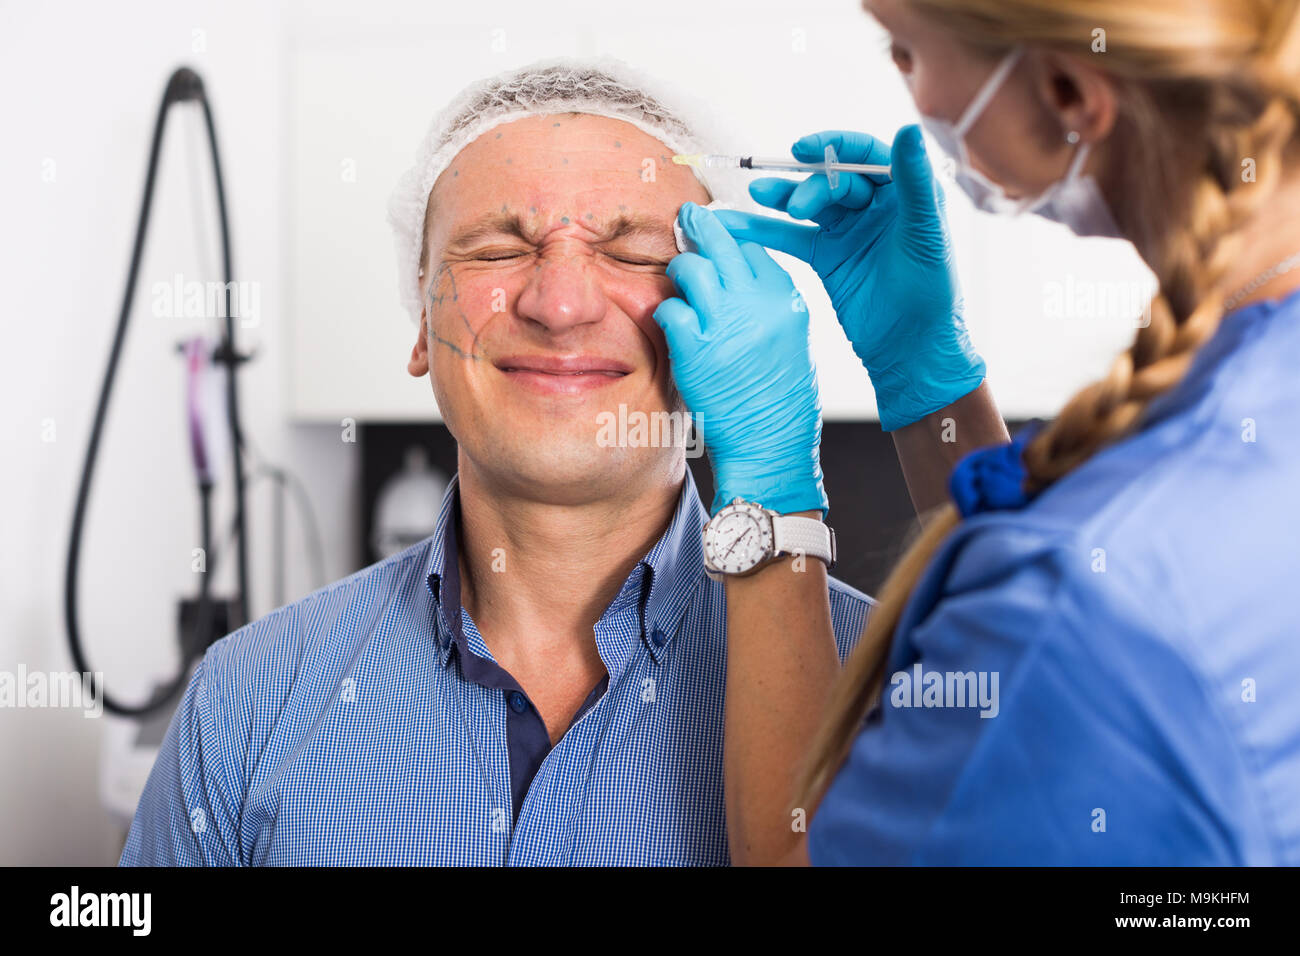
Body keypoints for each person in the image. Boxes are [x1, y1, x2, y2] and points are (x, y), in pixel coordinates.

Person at [118, 58, 989, 866]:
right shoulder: (246, 701)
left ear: (723, 311)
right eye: (498, 249)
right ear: (421, 326)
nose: (561, 302)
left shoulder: (898, 690)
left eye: (634, 252)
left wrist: (930, 374)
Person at [655, 0, 1300, 864]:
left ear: (1071, 90)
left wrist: (768, 494)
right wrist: (929, 380)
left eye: (907, 51)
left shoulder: (1081, 599)